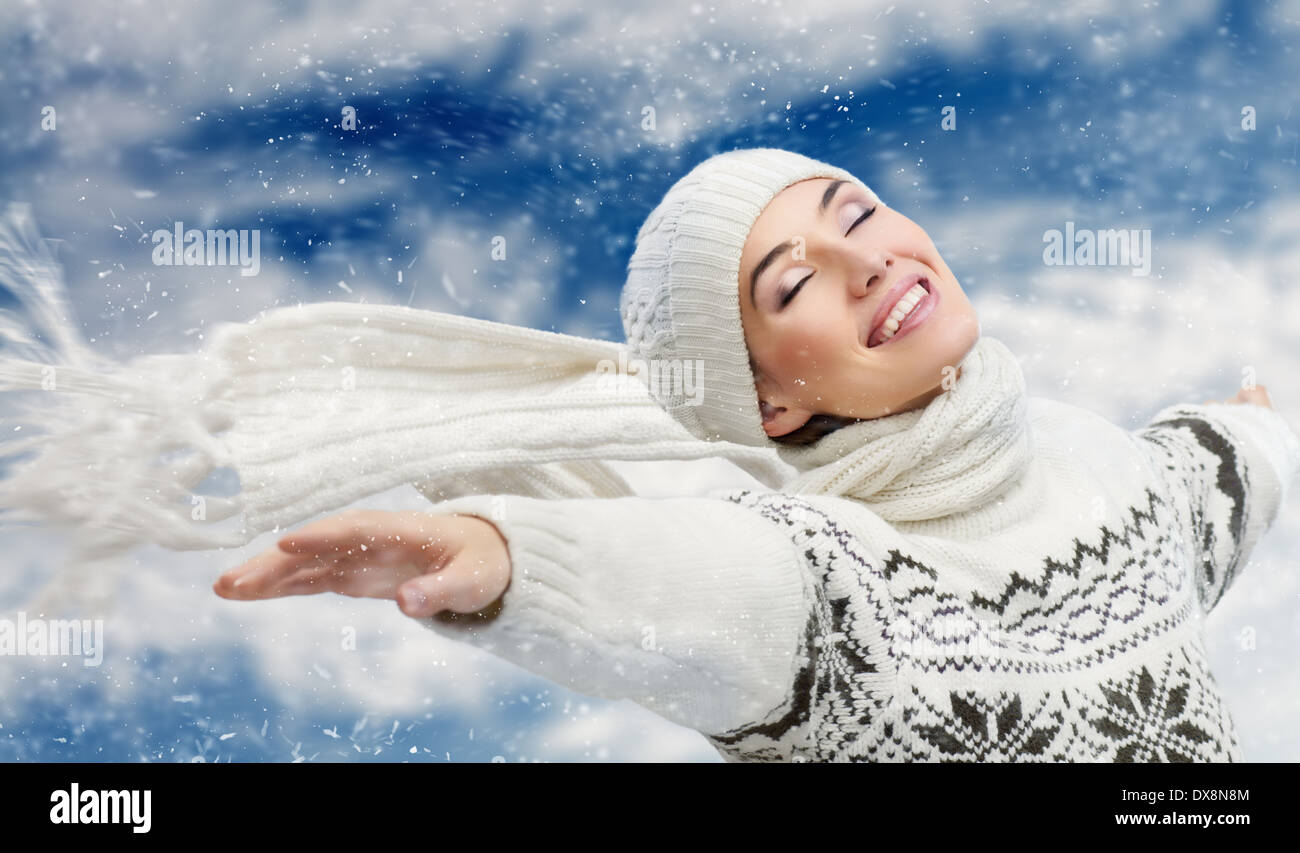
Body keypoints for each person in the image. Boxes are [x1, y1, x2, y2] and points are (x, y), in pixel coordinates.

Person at [213, 148, 1300, 762]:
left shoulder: (1111, 472)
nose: (863, 260)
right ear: (768, 403)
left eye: (857, 212)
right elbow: (688, 581)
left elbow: (1211, 474)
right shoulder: (831, 592)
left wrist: (1254, 428)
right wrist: (499, 558)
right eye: (794, 284)